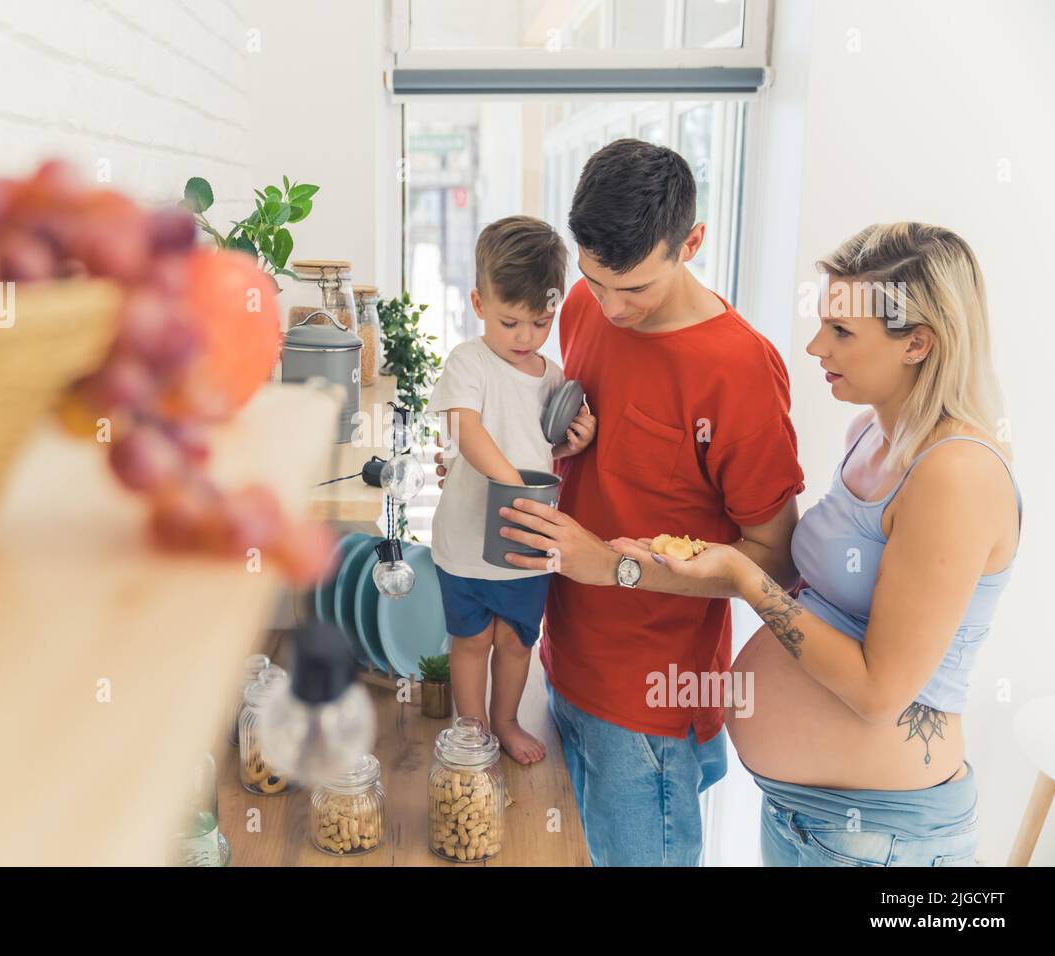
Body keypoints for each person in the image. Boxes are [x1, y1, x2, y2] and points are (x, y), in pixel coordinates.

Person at [442, 140, 804, 865]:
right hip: (555, 655)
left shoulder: (741, 371)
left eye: (633, 288)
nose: (609, 306)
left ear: (691, 243)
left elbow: (774, 561)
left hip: (648, 711)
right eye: (594, 281)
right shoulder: (578, 305)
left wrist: (614, 567)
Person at [613, 223, 1019, 866]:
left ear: (918, 342)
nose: (813, 345)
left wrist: (749, 582)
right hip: (811, 820)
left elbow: (877, 691)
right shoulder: (871, 434)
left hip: (883, 839)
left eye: (842, 332)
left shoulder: (956, 474)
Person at [425, 215, 596, 766]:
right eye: (510, 322)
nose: (525, 338)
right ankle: (472, 727)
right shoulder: (468, 362)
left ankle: (505, 719)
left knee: (517, 641)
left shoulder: (551, 375)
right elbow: (464, 428)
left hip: (526, 545)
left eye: (540, 323)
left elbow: (542, 447)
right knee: (472, 640)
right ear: (478, 303)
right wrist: (511, 480)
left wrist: (575, 442)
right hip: (467, 541)